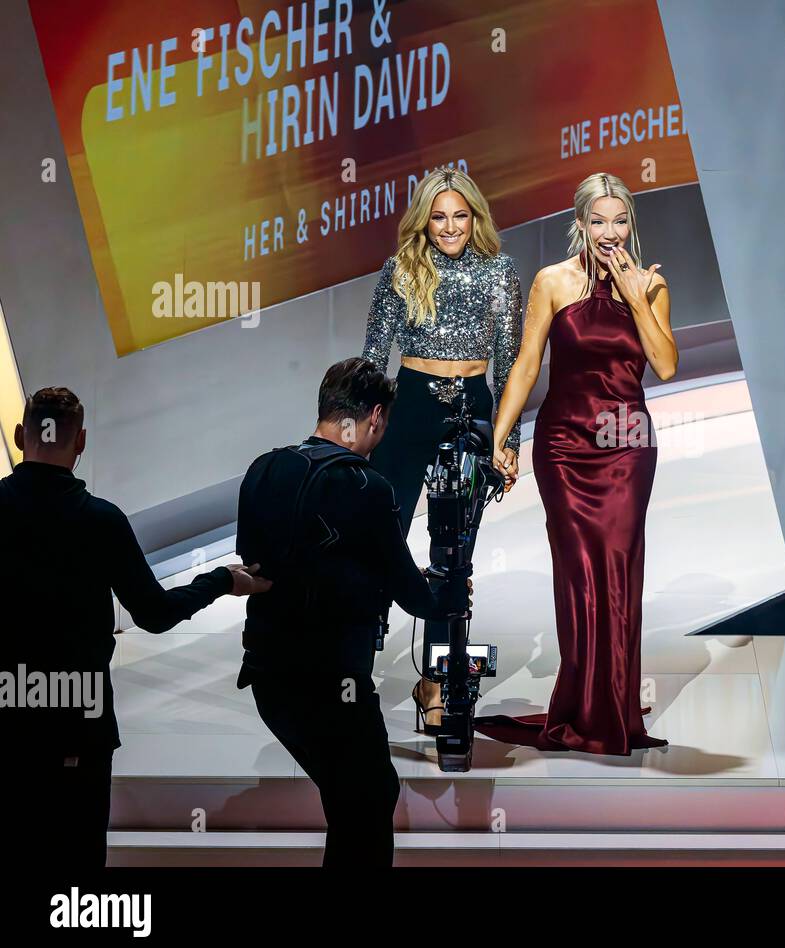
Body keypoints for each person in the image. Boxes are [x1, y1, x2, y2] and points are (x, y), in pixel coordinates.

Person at [0, 387, 268, 868]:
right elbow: (154, 613)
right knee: (76, 862)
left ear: (21, 436)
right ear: (80, 442)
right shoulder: (101, 521)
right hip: (76, 722)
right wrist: (221, 580)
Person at [235, 357, 471, 867]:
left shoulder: (262, 470)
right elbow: (411, 592)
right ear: (377, 417)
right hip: (334, 683)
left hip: (270, 679)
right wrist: (449, 596)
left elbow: (253, 563)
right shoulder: (369, 488)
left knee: (354, 797)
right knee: (368, 797)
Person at [475, 172, 677, 755]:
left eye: (620, 221)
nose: (609, 233)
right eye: (598, 221)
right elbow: (526, 365)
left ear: (630, 225)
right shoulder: (552, 282)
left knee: (618, 570)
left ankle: (610, 707)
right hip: (565, 446)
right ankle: (584, 705)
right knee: (578, 574)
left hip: (627, 442)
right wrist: (500, 433)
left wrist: (636, 297)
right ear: (580, 223)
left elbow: (664, 365)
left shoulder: (653, 286)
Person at [362, 165, 523, 539]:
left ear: (474, 218)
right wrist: (361, 425)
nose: (450, 227)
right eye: (438, 217)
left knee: (457, 543)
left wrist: (509, 439)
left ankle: (450, 596)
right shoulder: (400, 270)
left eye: (460, 216)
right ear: (424, 221)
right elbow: (373, 357)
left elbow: (509, 364)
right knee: (384, 532)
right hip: (409, 406)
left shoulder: (499, 272)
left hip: (472, 409)